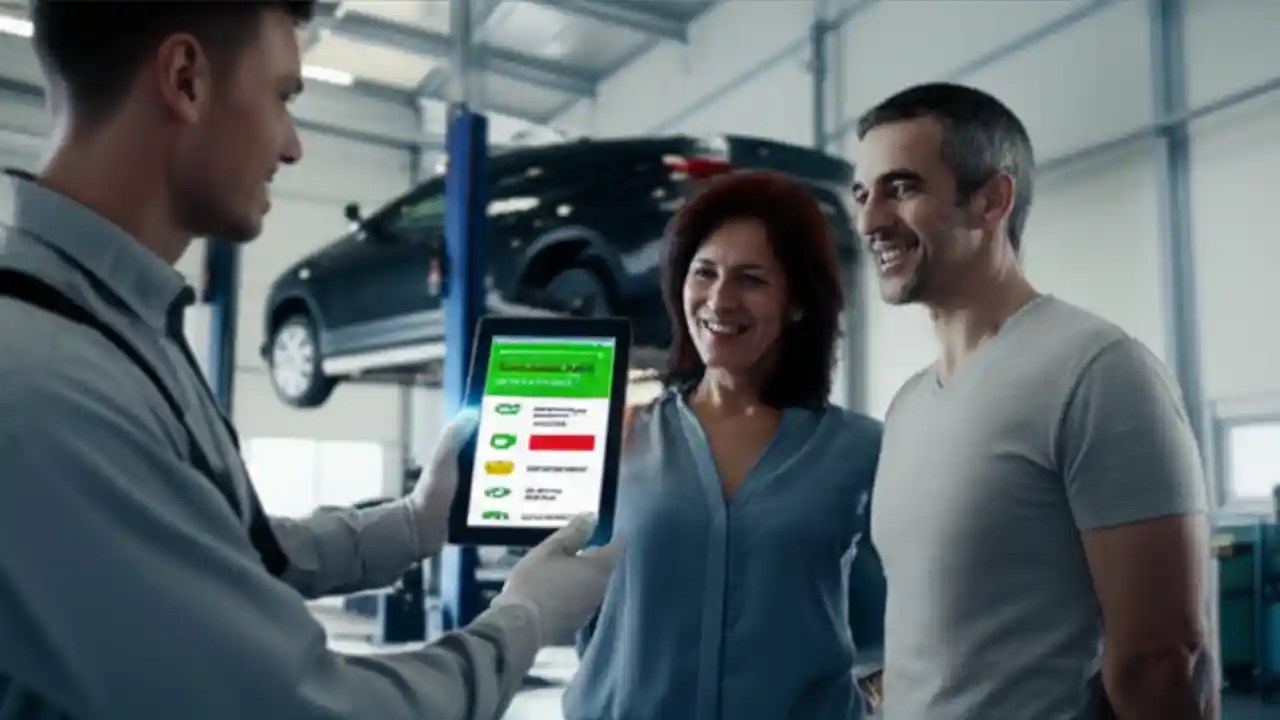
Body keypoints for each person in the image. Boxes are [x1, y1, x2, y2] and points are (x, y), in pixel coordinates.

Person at [0, 2, 620, 718]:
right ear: (186, 79)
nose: (292, 146)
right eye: (283, 97)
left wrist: (418, 521)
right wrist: (527, 617)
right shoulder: (49, 392)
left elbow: (233, 554)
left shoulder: (109, 334)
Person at [850, 81, 1219, 719]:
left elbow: (1160, 658)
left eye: (901, 188)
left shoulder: (1099, 373)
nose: (870, 219)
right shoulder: (910, 404)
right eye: (862, 194)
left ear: (993, 200)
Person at [561, 170, 888, 719]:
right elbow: (579, 610)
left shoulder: (861, 452)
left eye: (751, 279)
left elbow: (881, 635)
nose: (719, 299)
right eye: (704, 273)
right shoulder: (621, 437)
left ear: (799, 303)